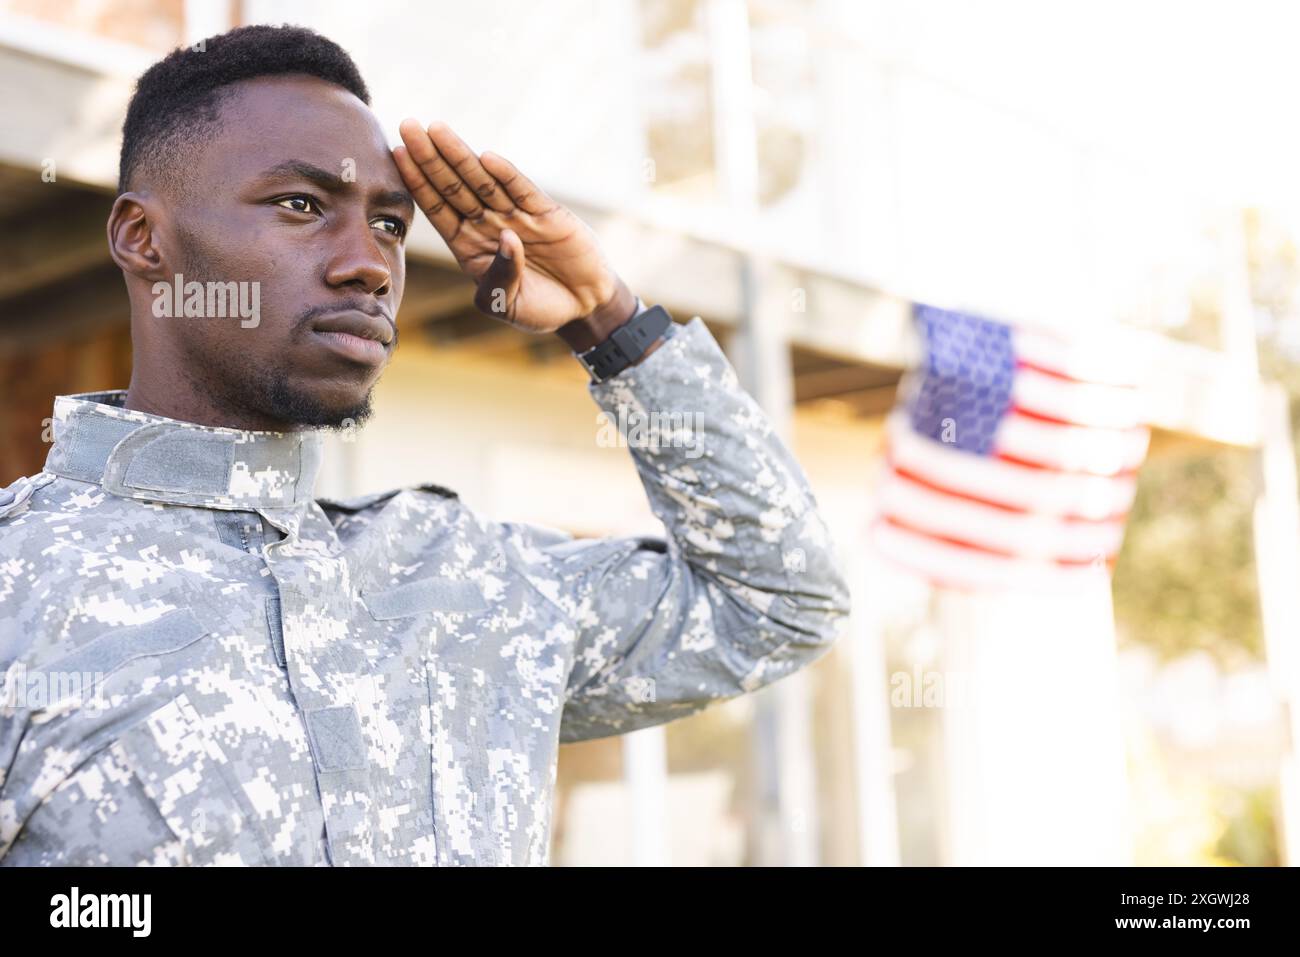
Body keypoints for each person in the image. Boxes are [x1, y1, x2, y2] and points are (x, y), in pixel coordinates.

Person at [0, 23, 849, 866]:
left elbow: (777, 599)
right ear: (143, 239)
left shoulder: (468, 580)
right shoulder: (21, 587)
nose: (369, 264)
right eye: (300, 205)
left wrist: (607, 314)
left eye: (392, 225)